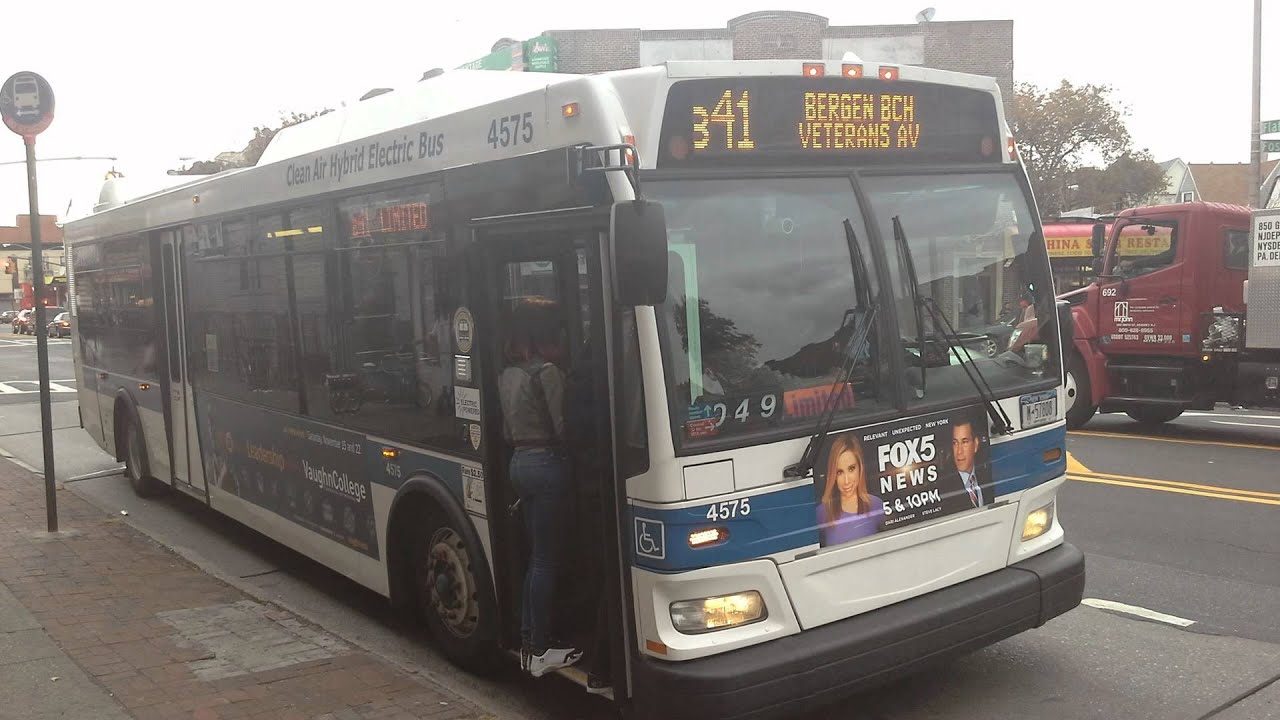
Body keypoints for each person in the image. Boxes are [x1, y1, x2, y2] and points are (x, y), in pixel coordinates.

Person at [499, 299, 582, 677]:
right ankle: (541, 648)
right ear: (547, 342)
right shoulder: (548, 374)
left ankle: (529, 641)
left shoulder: (508, 375)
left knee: (536, 558)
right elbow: (566, 427)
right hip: (548, 465)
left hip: (518, 463)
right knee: (548, 559)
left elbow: (505, 431)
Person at [816, 434, 884, 546]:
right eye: (839, 472)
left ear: (860, 468)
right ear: (833, 475)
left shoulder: (876, 505)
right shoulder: (822, 512)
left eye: (851, 469)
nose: (846, 481)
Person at [952, 420, 984, 508]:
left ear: (976, 445)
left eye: (965, 442)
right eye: (955, 443)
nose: (959, 451)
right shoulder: (946, 488)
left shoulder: (985, 476)